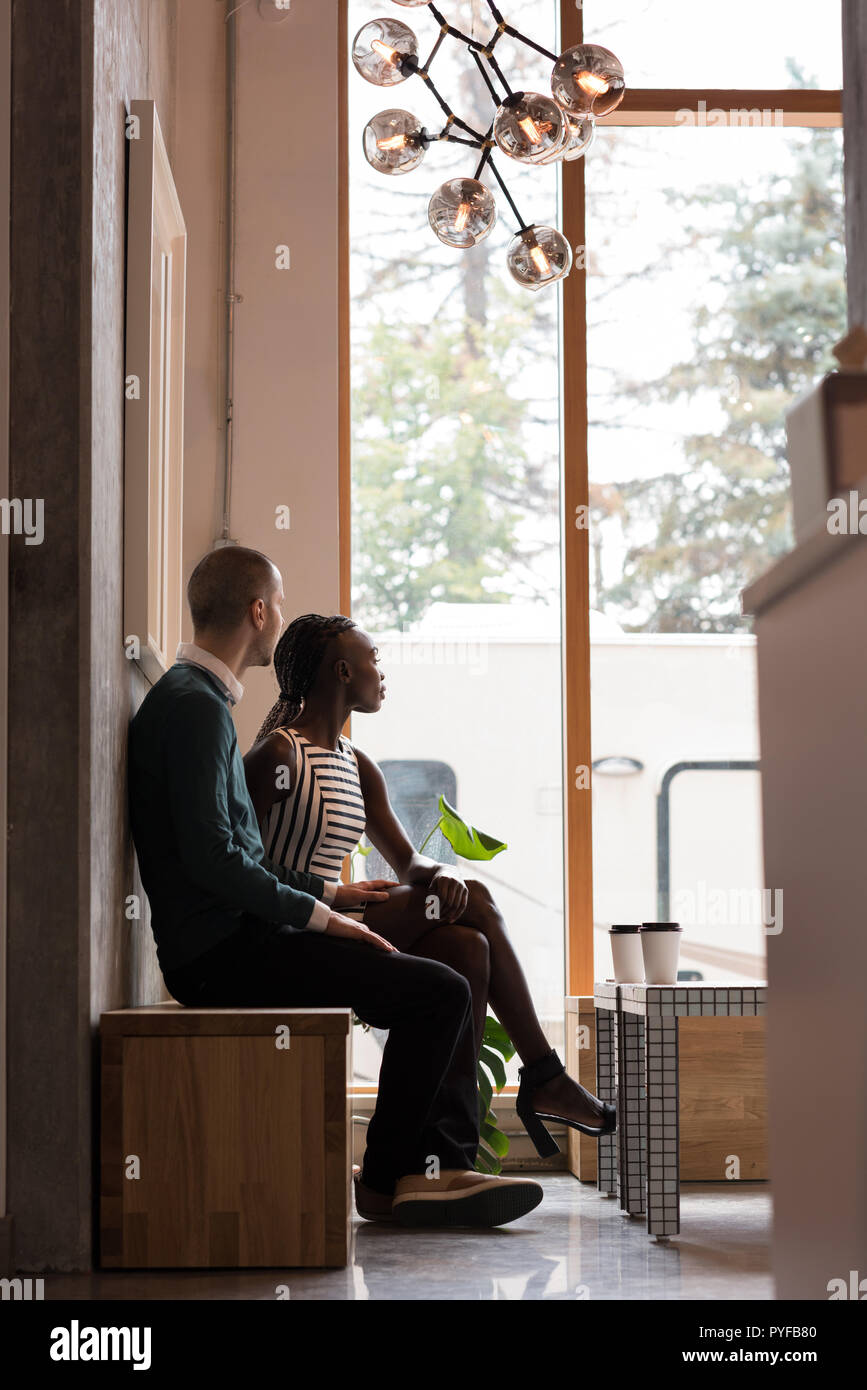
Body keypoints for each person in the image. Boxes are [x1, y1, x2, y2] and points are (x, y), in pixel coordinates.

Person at [128, 545, 545, 1229]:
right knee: (439, 991)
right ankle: (386, 1182)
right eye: (279, 603)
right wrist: (323, 916)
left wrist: (328, 894)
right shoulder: (195, 709)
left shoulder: (191, 699)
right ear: (258, 612)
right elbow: (215, 863)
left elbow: (235, 855)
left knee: (452, 958)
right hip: (220, 959)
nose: (281, 617)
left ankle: (432, 1170)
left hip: (232, 942)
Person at [243, 612, 617, 1218]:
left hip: (342, 919)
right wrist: (332, 895)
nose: (380, 674)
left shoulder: (356, 765)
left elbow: (406, 860)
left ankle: (438, 1164)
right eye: (373, 661)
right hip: (291, 933)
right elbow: (245, 864)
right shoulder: (276, 755)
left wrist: (436, 873)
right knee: (485, 904)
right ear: (342, 670)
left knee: (467, 948)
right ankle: (544, 1072)